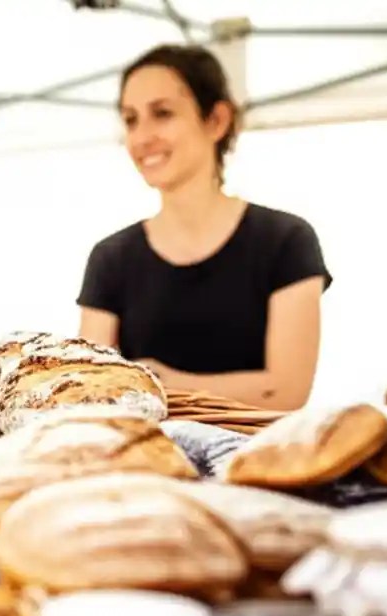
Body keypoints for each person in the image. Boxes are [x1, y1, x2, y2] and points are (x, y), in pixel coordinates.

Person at [77, 44, 331, 411]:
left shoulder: (286, 240)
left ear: (216, 120)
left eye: (162, 113)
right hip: (144, 464)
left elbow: (286, 393)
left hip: (256, 463)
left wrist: (159, 381)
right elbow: (89, 393)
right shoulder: (110, 258)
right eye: (131, 119)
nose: (142, 136)